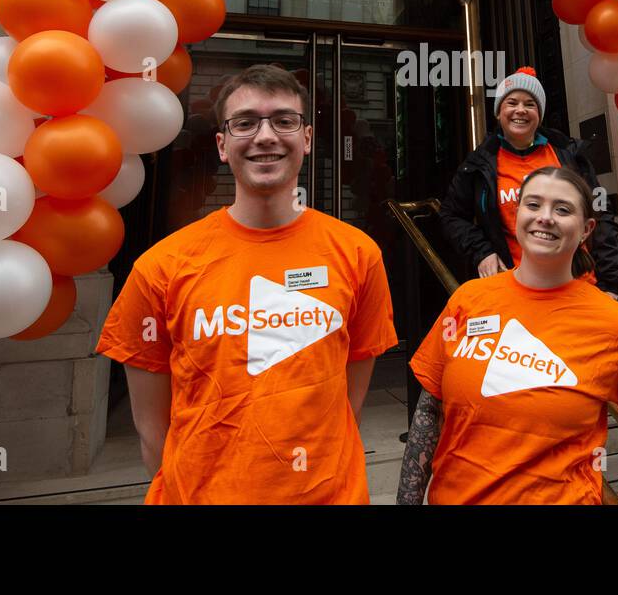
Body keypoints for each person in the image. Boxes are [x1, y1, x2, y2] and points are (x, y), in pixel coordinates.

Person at [96, 64, 398, 503]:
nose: (266, 136)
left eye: (284, 120)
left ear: (307, 139)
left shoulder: (358, 254)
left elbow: (346, 403)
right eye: (245, 123)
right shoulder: (160, 267)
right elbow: (152, 429)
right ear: (222, 145)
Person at [399, 165, 618, 504]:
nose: (545, 217)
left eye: (563, 209)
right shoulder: (467, 300)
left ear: (586, 229)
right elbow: (428, 412)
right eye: (533, 205)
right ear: (516, 214)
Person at [438, 66, 618, 299]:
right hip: (519, 292)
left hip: (582, 287)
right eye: (511, 102)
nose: (520, 110)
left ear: (539, 113)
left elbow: (601, 216)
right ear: (498, 112)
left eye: (530, 104)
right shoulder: (478, 165)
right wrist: (482, 251)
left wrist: (611, 285)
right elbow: (451, 215)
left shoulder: (569, 155)